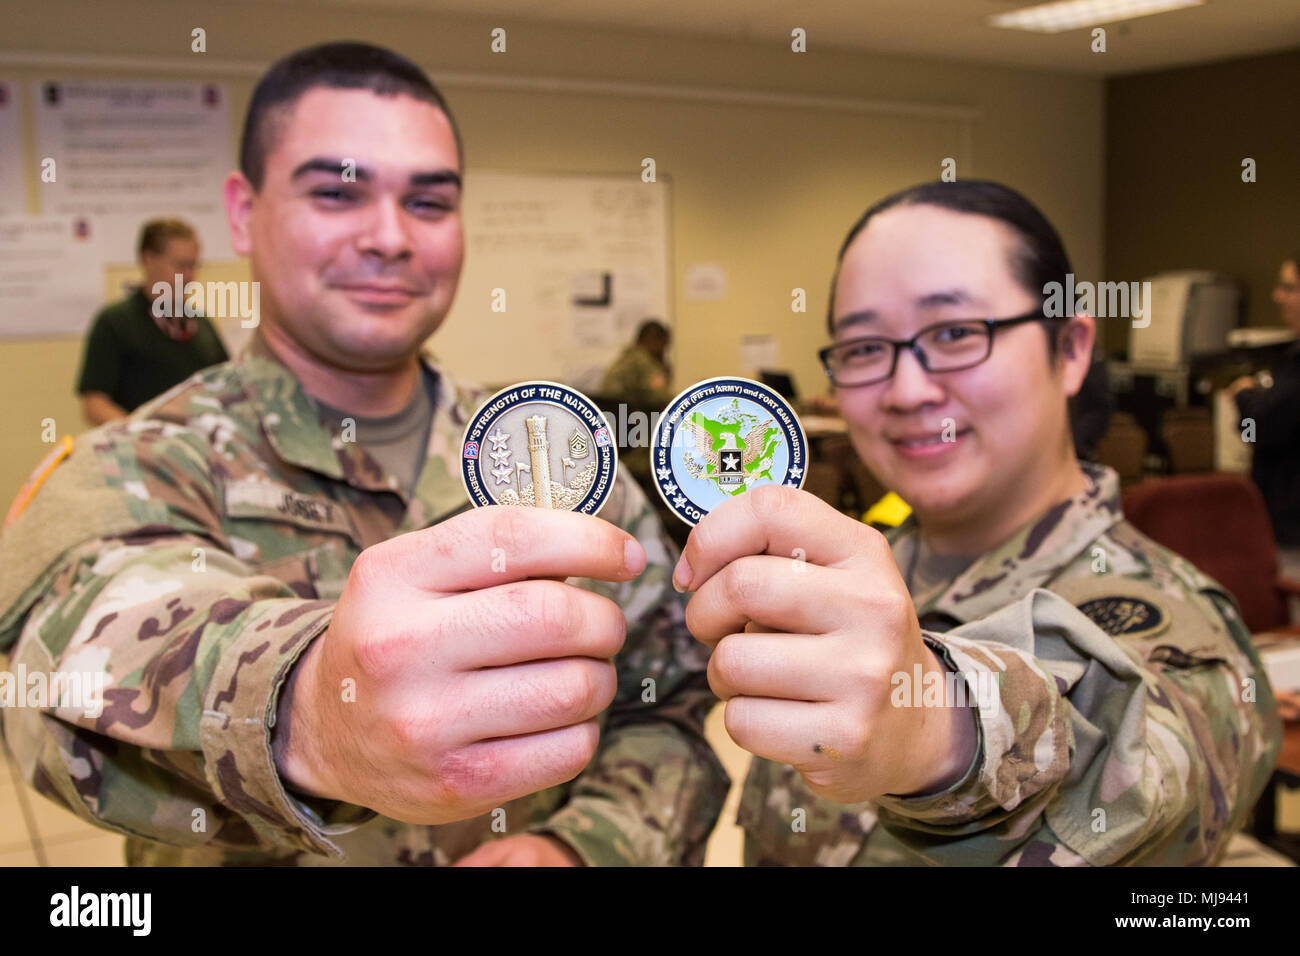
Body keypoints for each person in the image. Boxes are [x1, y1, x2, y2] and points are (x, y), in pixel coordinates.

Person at [0, 42, 726, 866]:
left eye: (427, 201)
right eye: (337, 191)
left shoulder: (555, 455)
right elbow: (49, 685)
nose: (389, 237)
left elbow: (664, 706)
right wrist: (307, 705)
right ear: (243, 213)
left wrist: (581, 846)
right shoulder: (144, 461)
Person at [673, 180, 1281, 865]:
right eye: (865, 348)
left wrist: (943, 732)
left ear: (1072, 349)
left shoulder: (1167, 614)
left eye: (957, 333)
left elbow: (1152, 778)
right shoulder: (834, 584)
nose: (907, 391)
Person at [76, 218, 230, 425]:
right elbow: (94, 404)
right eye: (180, 266)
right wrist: (142, 437)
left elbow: (225, 387)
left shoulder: (200, 323)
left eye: (193, 265)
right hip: (137, 449)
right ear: (148, 260)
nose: (189, 276)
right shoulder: (115, 323)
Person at [1227, 252, 1300, 617]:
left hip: (1291, 522)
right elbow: (1255, 427)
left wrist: (1243, 394)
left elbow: (1265, 424)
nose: (1278, 296)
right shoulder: (1288, 360)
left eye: (1289, 287)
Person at [600, 318, 674, 408]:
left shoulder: (627, 357)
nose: (663, 352)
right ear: (654, 341)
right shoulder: (644, 361)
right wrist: (664, 373)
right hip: (626, 415)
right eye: (664, 345)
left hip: (611, 412)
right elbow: (660, 398)